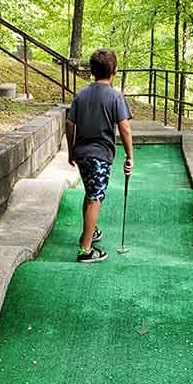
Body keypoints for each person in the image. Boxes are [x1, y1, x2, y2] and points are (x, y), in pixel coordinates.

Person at [65, 48, 134, 263]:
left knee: (90, 193)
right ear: (114, 71)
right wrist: (130, 156)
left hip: (82, 153)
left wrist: (71, 150)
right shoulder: (115, 96)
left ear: (92, 71)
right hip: (100, 156)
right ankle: (85, 250)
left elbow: (69, 123)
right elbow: (124, 128)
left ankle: (90, 231)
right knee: (96, 198)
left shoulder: (81, 94)